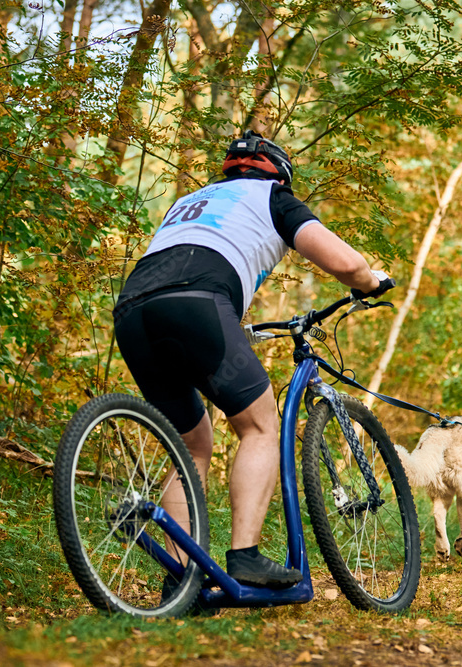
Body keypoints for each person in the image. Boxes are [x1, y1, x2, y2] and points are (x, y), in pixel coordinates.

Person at [112, 130, 393, 588]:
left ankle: (181, 577)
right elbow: (343, 263)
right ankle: (245, 556)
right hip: (197, 303)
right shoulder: (273, 197)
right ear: (278, 173)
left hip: (132, 312)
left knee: (192, 445)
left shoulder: (189, 201)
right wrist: (368, 281)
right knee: (260, 425)